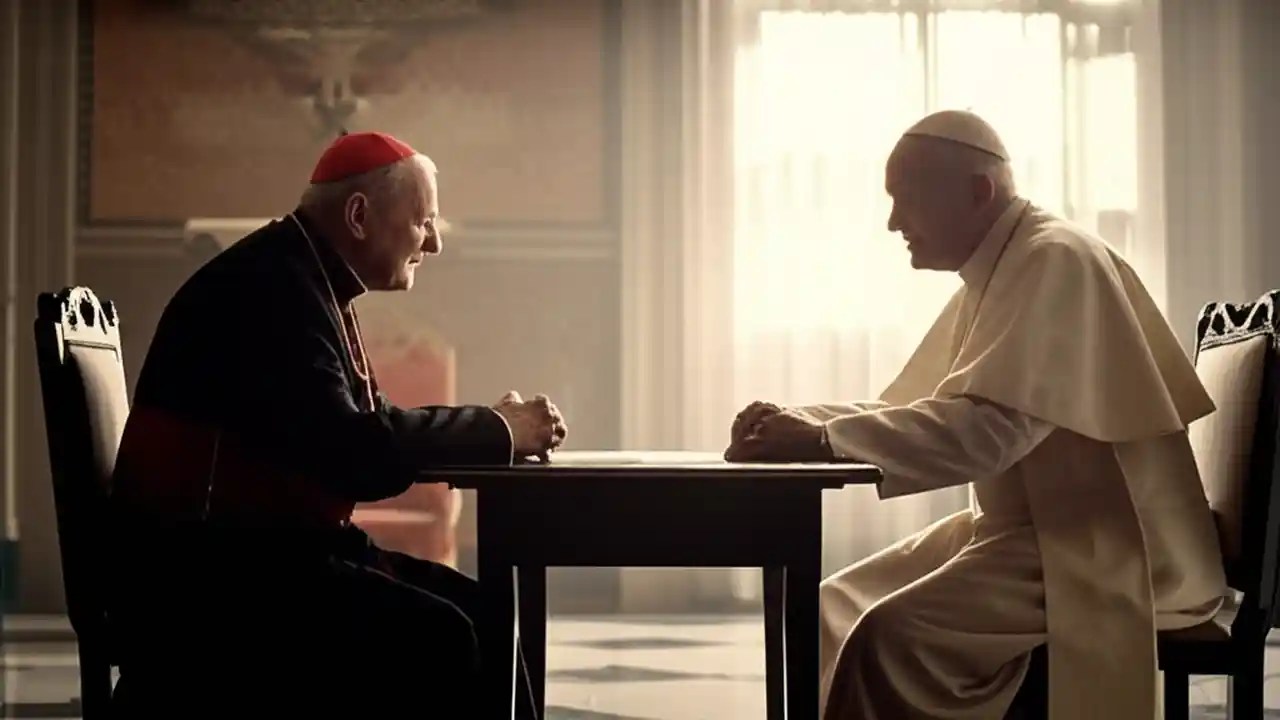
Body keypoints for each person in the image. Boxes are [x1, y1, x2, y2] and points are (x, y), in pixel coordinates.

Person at [725, 110, 1228, 720]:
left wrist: (820, 438)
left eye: (905, 199)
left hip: (1100, 538)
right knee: (831, 606)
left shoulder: (1053, 259)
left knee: (888, 639)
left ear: (977, 192)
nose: (893, 222)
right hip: (1031, 529)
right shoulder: (1006, 266)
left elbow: (989, 434)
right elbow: (915, 410)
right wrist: (795, 421)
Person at [106, 131, 565, 717]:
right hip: (213, 586)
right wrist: (495, 428)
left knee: (489, 615)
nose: (434, 243)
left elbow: (370, 427)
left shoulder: (297, 274)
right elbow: (354, 455)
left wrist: (493, 427)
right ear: (358, 215)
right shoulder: (271, 289)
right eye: (423, 221)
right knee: (444, 636)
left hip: (262, 556)